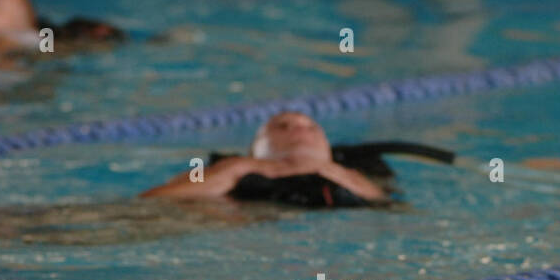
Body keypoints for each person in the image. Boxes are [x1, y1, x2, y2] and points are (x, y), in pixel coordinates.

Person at [140, 111, 390, 203]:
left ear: (327, 146)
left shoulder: (361, 176)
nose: (300, 130)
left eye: (311, 127)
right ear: (256, 148)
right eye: (283, 126)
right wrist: (237, 169)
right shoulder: (232, 169)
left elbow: (394, 211)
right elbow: (153, 200)